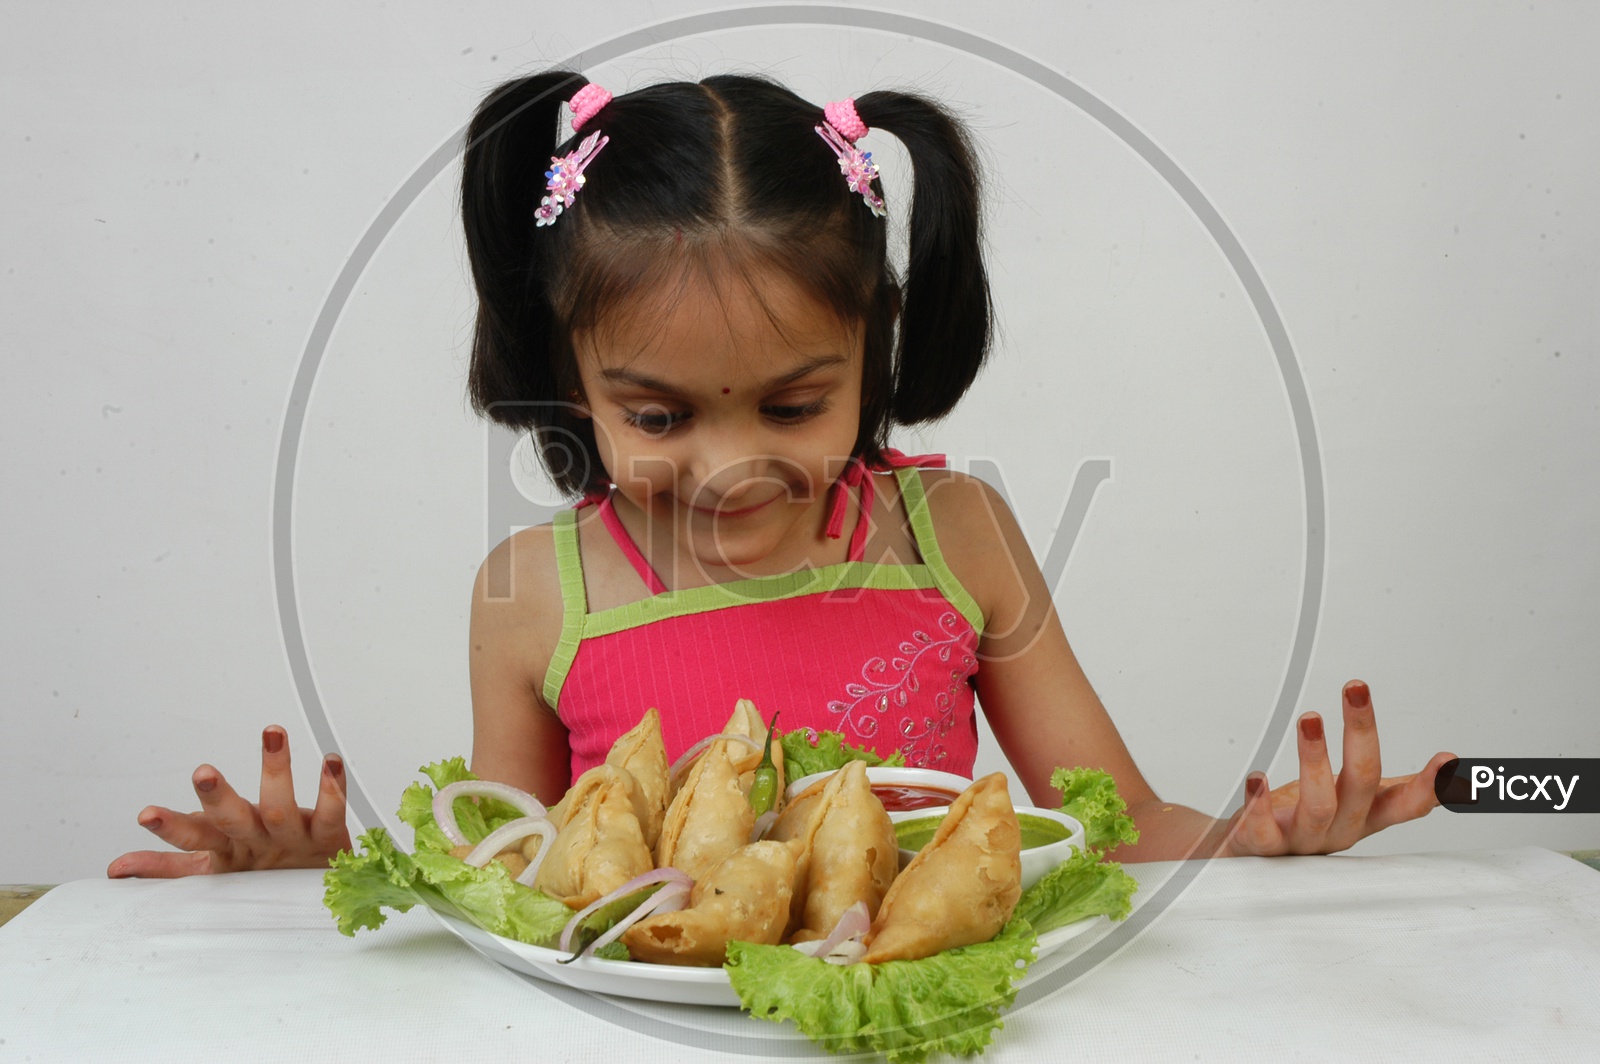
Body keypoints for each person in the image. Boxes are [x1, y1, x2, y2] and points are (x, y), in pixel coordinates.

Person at [108, 71, 1454, 880]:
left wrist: (1249, 844)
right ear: (569, 377)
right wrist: (322, 870)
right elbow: (513, 864)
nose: (731, 465)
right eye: (657, 413)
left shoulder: (957, 533)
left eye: (797, 403)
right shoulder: (532, 591)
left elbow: (1113, 820)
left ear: (879, 345)